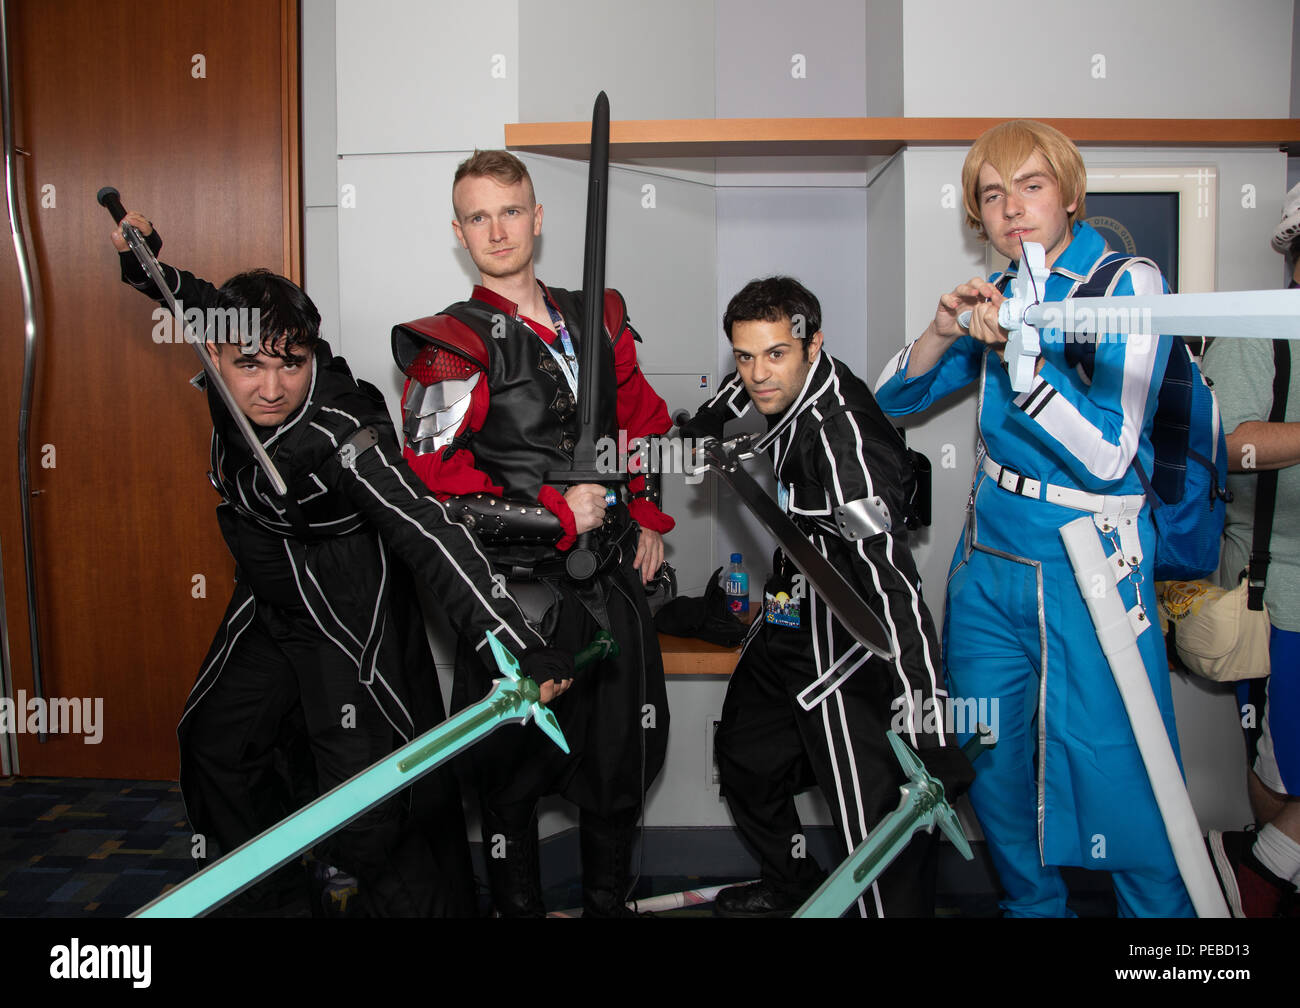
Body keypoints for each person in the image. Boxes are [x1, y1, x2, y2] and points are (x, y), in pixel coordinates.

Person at [109, 211, 571, 917]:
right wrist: (145, 263)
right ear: (217, 352)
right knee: (214, 744)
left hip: (345, 610)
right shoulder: (221, 342)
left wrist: (513, 642)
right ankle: (273, 902)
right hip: (268, 598)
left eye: (290, 363)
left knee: (368, 807)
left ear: (310, 356)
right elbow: (192, 299)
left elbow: (429, 531)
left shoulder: (347, 433)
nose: (270, 386)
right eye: (250, 364)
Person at [874, 119, 1194, 917]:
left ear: (1071, 194)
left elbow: (1113, 454)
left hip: (1090, 564)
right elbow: (888, 405)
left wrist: (1025, 369)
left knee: (1123, 775)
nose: (1012, 207)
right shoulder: (1000, 293)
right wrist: (944, 329)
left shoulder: (1128, 284)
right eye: (992, 193)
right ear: (978, 216)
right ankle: (1033, 909)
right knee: (991, 762)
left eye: (1032, 185)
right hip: (989, 565)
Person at [390, 150, 674, 917]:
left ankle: (607, 907)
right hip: (512, 599)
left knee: (617, 767)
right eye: (478, 217)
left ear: (538, 217)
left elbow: (644, 423)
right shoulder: (450, 345)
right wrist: (554, 513)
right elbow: (427, 487)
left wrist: (643, 513)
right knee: (508, 778)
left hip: (609, 583)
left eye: (510, 210)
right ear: (459, 232)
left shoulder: (599, 317)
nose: (497, 228)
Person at [680, 276, 972, 918]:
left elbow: (894, 586)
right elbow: (750, 383)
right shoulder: (778, 375)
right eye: (745, 355)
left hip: (843, 638)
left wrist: (930, 724)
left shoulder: (845, 448)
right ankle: (790, 882)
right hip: (788, 606)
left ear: (813, 345)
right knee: (745, 756)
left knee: (871, 822)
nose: (758, 375)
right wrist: (709, 420)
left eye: (775, 354)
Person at [1202, 184, 1300, 917]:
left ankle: (1262, 870)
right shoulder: (1259, 332)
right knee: (1281, 774)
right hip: (1281, 595)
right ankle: (1259, 870)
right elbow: (1232, 448)